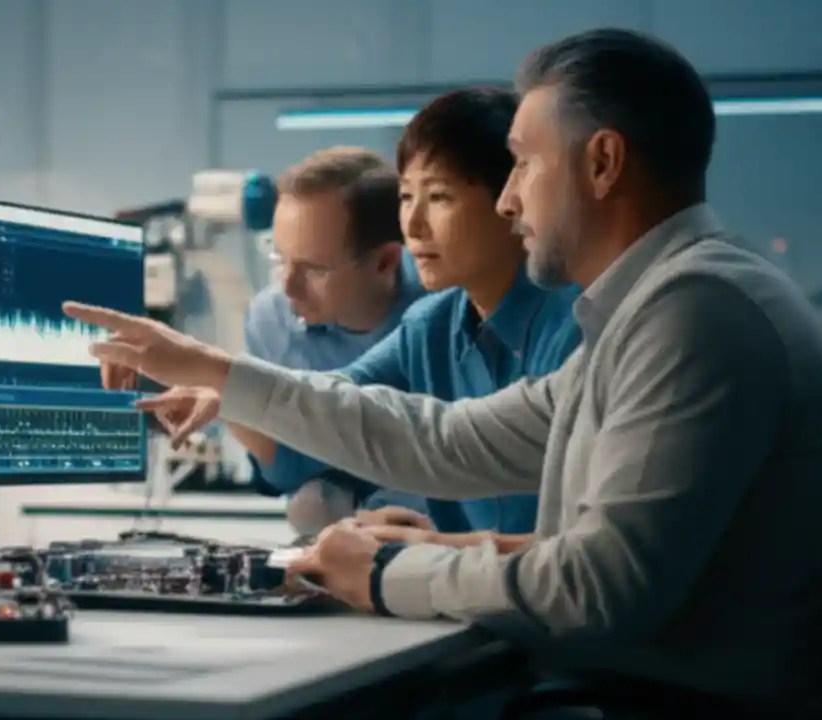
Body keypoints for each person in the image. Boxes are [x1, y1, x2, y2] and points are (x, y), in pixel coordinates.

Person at [65, 28, 822, 716]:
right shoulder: (657, 310)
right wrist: (214, 368)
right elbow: (442, 438)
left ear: (604, 162)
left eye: (521, 166)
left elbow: (595, 590)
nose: (510, 201)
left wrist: (386, 573)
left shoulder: (695, 312)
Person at [145, 88, 582, 539]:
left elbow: (588, 549)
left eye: (440, 198)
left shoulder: (580, 328)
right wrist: (228, 393)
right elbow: (326, 421)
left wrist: (436, 550)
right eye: (407, 197)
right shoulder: (429, 329)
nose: (413, 225)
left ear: (512, 200)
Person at [108, 146, 430, 534]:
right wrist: (230, 404)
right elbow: (291, 472)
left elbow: (462, 447)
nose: (288, 286)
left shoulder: (445, 313)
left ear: (385, 263)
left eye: (313, 269)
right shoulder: (271, 319)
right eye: (280, 260)